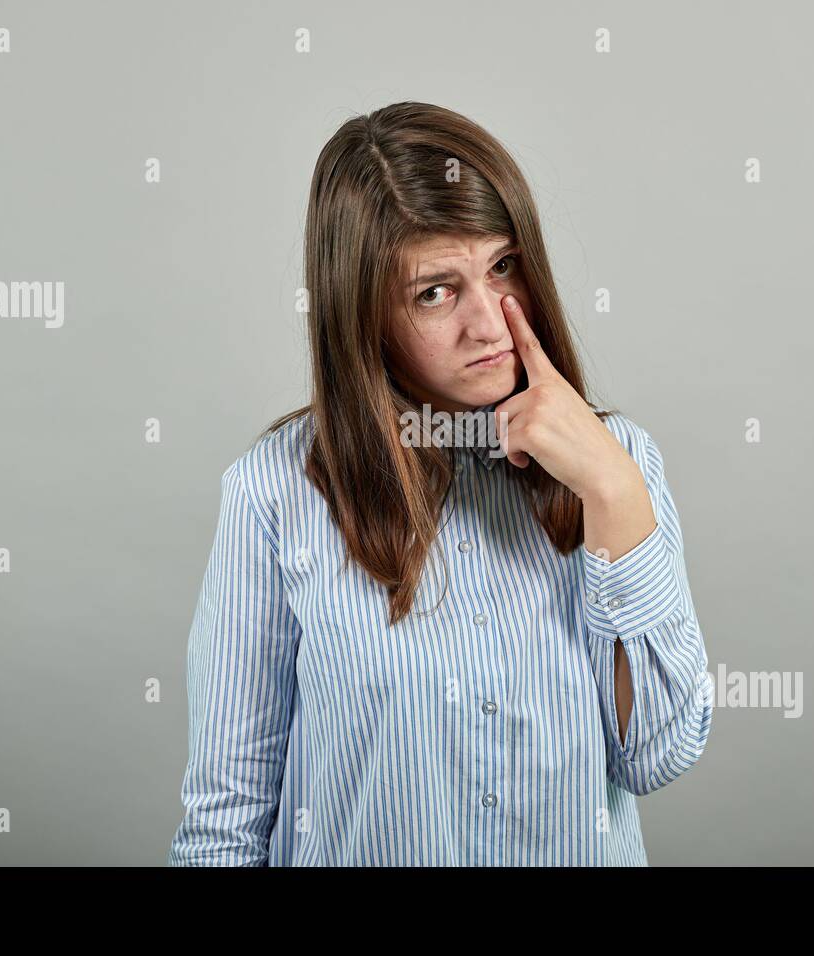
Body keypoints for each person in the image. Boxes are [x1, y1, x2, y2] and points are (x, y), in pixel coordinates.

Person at [167, 101, 714, 866]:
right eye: (435, 292)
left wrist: (615, 494)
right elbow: (226, 823)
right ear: (365, 318)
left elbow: (655, 756)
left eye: (502, 268)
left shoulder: (616, 463)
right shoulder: (272, 496)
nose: (490, 325)